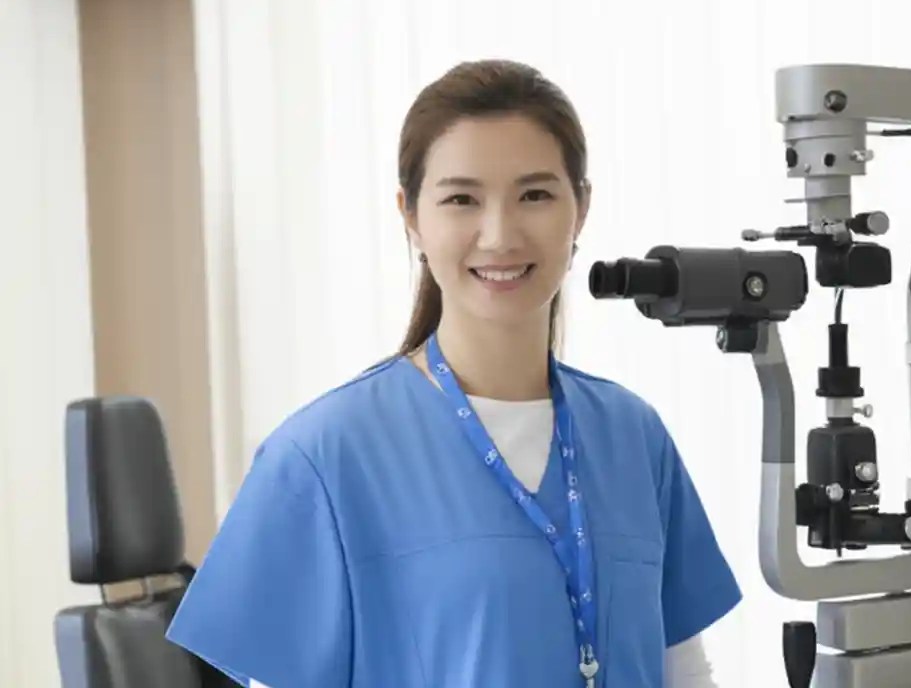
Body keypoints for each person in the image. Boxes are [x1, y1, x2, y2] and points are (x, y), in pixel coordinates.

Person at [165, 59, 742, 687]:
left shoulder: (633, 437)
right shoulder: (324, 456)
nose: (498, 235)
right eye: (462, 199)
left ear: (581, 209)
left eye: (535, 195)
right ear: (411, 217)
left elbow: (683, 670)